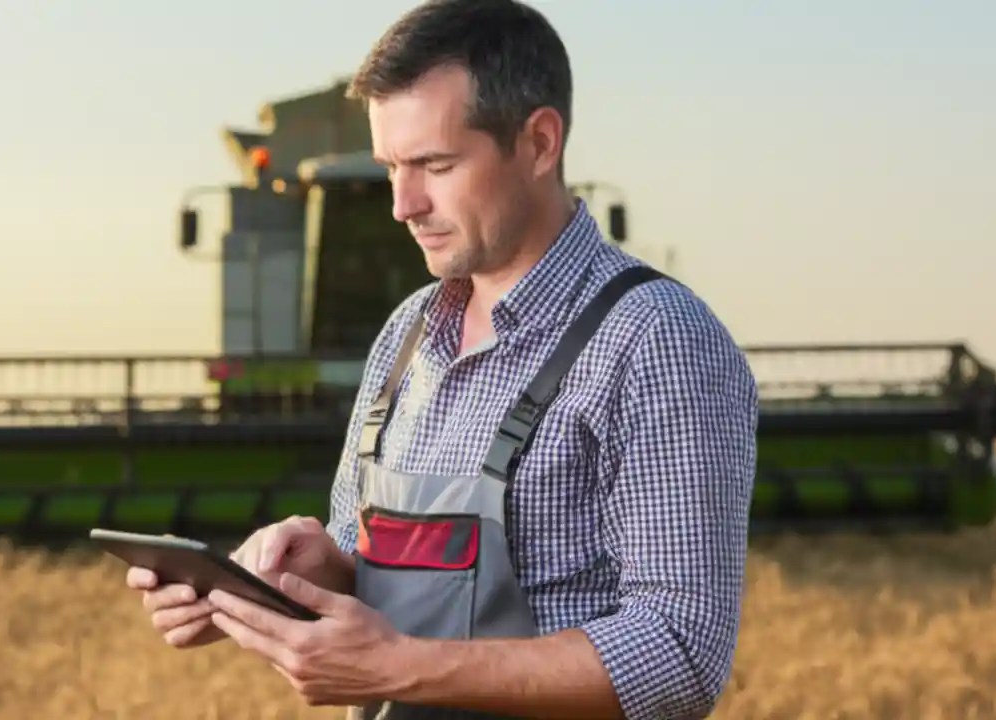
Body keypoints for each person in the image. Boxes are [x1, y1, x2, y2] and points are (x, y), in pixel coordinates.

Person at [126, 0, 758, 717]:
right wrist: (285, 587)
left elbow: (679, 655)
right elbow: (369, 573)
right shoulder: (406, 336)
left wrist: (399, 668)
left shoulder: (655, 340)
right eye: (392, 166)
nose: (403, 203)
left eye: (435, 164)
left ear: (540, 142)